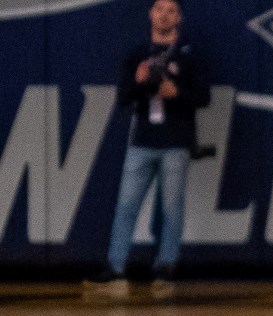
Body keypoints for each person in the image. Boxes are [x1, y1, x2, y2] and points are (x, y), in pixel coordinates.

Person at [87, 0, 209, 298]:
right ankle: (116, 267)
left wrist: (175, 93)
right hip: (142, 140)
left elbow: (203, 97)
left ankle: (166, 266)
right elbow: (123, 99)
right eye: (159, 9)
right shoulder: (137, 54)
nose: (164, 15)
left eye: (170, 10)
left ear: (178, 17)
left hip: (175, 141)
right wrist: (140, 82)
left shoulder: (188, 53)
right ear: (150, 14)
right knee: (126, 205)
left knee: (171, 208)